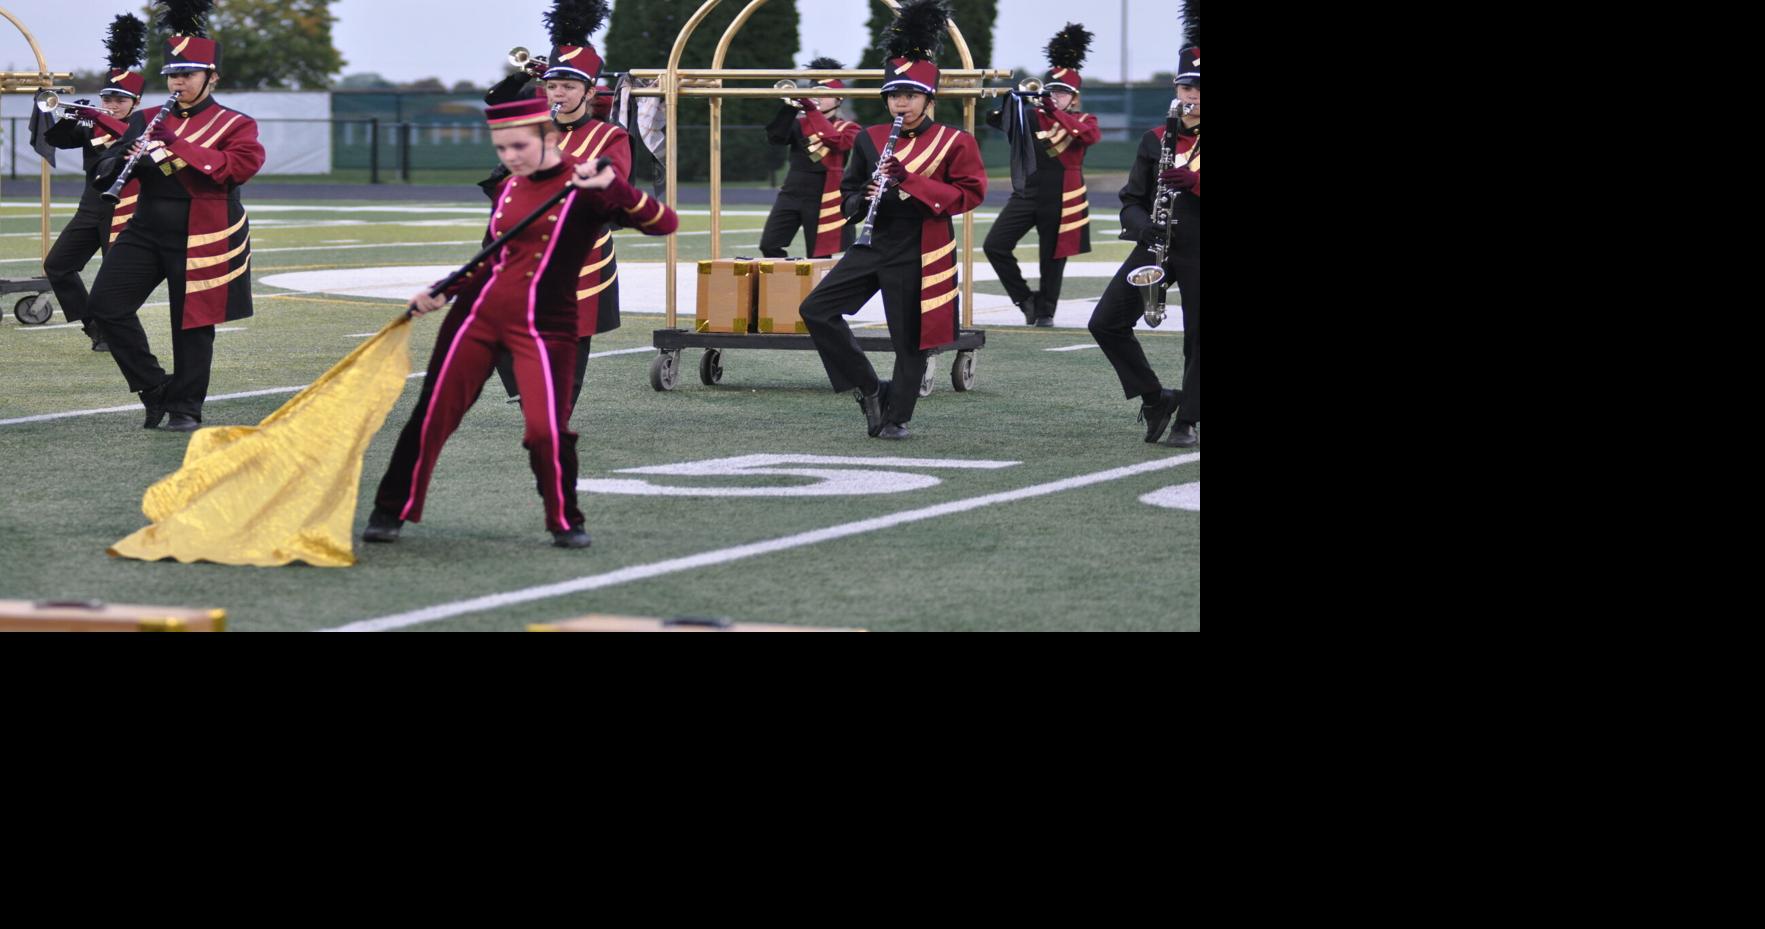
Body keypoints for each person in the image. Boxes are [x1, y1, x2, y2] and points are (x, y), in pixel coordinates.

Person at [362, 97, 679, 549]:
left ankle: (564, 518)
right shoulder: (510, 187)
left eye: (518, 146)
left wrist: (616, 187)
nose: (509, 157)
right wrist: (444, 290)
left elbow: (665, 224)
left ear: (549, 138)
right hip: (476, 316)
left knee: (547, 430)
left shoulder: (587, 184)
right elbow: (492, 255)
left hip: (546, 326)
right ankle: (390, 509)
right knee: (433, 415)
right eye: (501, 149)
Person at [798, 0, 986, 440]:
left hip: (923, 246)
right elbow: (847, 192)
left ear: (928, 98)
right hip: (874, 241)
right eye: (895, 96)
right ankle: (868, 387)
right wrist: (858, 201)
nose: (901, 104)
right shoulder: (871, 137)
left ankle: (897, 416)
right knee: (816, 310)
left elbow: (969, 194)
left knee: (911, 338)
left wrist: (912, 181)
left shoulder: (954, 141)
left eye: (910, 96)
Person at [86, 0, 263, 433]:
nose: (178, 81)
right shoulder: (144, 118)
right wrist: (116, 164)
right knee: (105, 306)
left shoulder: (236, 123)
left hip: (204, 229)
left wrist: (174, 145)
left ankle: (186, 407)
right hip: (145, 227)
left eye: (187, 74)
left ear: (211, 77)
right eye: (172, 74)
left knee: (193, 323)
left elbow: (234, 169)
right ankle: (155, 388)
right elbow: (106, 169)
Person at [484, 0, 630, 410]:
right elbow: (496, 102)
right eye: (552, 86)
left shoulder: (609, 136)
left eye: (568, 86)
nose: (559, 94)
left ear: (588, 91)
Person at [1087, 18, 1200, 447]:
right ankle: (1155, 398)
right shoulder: (1156, 139)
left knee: (1197, 338)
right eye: (1185, 88)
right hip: (1158, 243)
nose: (1191, 96)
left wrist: (1195, 183)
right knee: (1107, 322)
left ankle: (1188, 420)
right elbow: (1130, 198)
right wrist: (1143, 227)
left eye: (1199, 89)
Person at [40, 14, 147, 353]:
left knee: (113, 280)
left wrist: (101, 119)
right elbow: (57, 140)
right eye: (107, 98)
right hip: (91, 207)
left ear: (135, 103)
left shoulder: (144, 126)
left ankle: (122, 336)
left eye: (120, 100)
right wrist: (62, 113)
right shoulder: (92, 123)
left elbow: (125, 146)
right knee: (57, 265)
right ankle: (94, 326)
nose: (112, 105)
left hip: (127, 210)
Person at [983, 23, 1099, 327]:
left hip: (1064, 191)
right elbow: (994, 120)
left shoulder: (1084, 119)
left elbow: (1087, 137)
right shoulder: (1032, 116)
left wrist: (1053, 110)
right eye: (1053, 91)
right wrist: (1014, 100)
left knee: (1053, 256)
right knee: (995, 244)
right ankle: (1025, 299)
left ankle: (1045, 310)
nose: (1056, 96)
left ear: (1074, 98)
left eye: (1063, 93)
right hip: (1028, 190)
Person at [760, 58, 860, 259]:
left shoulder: (850, 128)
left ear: (838, 98)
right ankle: (786, 284)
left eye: (824, 93)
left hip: (824, 194)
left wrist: (812, 110)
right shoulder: (801, 122)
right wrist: (790, 106)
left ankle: (814, 290)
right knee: (769, 244)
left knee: (818, 255)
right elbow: (776, 138)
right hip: (792, 191)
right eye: (814, 91)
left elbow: (836, 142)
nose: (818, 97)